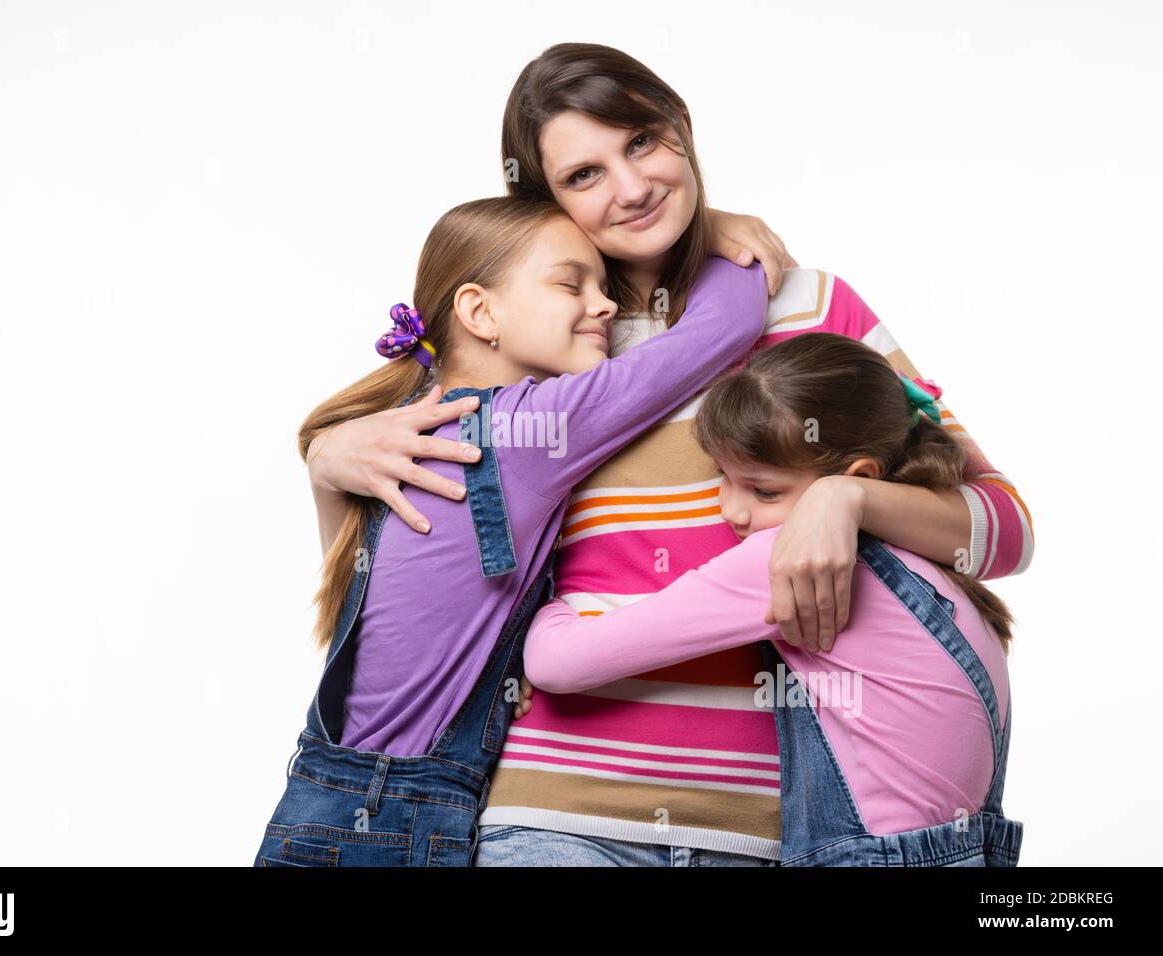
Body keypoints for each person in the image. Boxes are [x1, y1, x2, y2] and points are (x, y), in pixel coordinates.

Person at [305, 43, 1034, 866]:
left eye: (643, 141)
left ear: (682, 131)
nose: (631, 186)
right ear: (541, 204)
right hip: (553, 816)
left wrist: (848, 500)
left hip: (778, 827)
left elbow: (1003, 532)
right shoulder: (558, 340)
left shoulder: (811, 307)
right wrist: (330, 455)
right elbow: (424, 545)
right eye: (584, 176)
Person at [251, 196, 766, 866]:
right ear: (479, 311)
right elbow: (724, 329)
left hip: (321, 803)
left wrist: (322, 467)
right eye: (569, 283)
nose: (605, 305)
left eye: (605, 287)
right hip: (405, 817)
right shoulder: (527, 428)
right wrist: (717, 234)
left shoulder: (406, 426)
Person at [496, 332, 1021, 867]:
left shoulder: (789, 560)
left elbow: (559, 663)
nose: (733, 511)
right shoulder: (928, 560)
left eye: (764, 490)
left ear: (857, 477)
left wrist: (552, 603)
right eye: (723, 478)